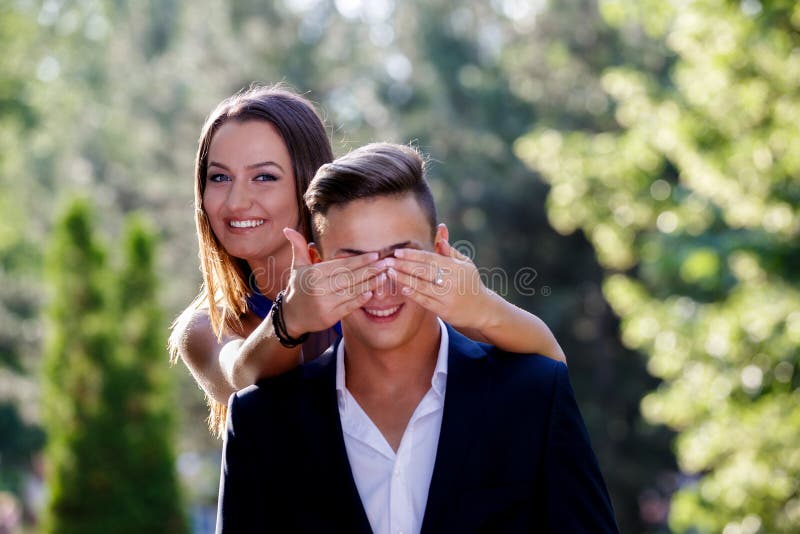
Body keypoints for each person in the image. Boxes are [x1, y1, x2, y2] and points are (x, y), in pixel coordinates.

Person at [216, 143, 618, 533]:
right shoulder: (261, 425)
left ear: (440, 250)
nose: (381, 284)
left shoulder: (533, 397)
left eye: (401, 256)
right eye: (354, 262)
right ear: (316, 266)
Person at [169, 84, 567, 436]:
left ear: (309, 184)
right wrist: (292, 319)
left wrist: (478, 303)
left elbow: (547, 367)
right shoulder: (207, 326)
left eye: (264, 177)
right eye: (219, 178)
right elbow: (241, 380)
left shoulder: (386, 285)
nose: (236, 201)